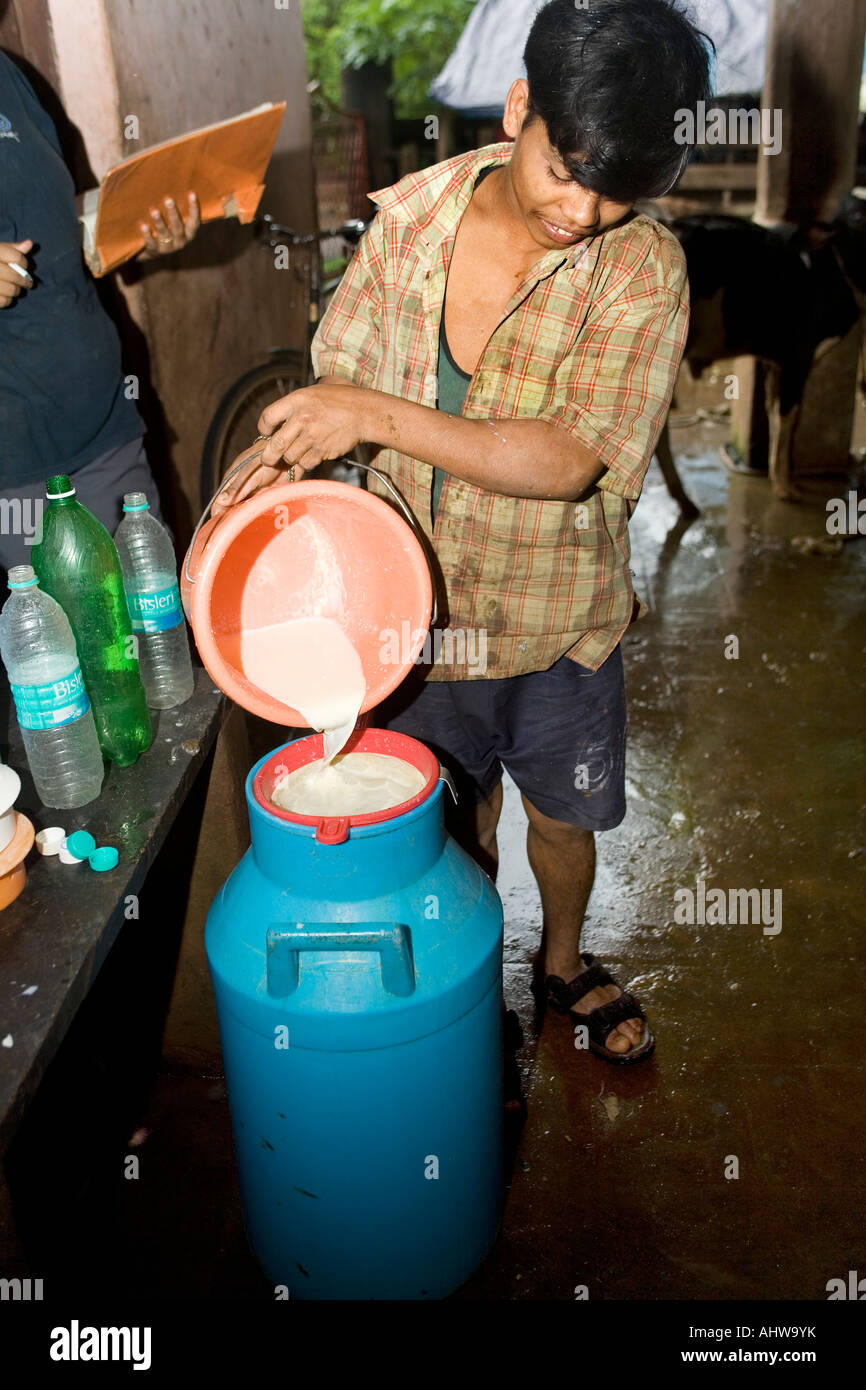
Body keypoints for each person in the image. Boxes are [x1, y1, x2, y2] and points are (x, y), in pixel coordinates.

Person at [215, 0, 712, 1062]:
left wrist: (374, 416)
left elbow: (570, 456)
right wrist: (268, 481)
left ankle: (563, 962)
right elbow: (336, 383)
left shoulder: (641, 270)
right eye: (566, 169)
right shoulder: (407, 224)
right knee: (453, 822)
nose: (582, 209)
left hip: (555, 616)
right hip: (415, 613)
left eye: (615, 191)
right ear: (519, 107)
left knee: (564, 818)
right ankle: (467, 974)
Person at [0, 49, 199, 571]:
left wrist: (138, 234)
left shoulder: (14, 75)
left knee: (153, 626)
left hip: (105, 423)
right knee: (73, 641)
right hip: (21, 463)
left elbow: (60, 230)